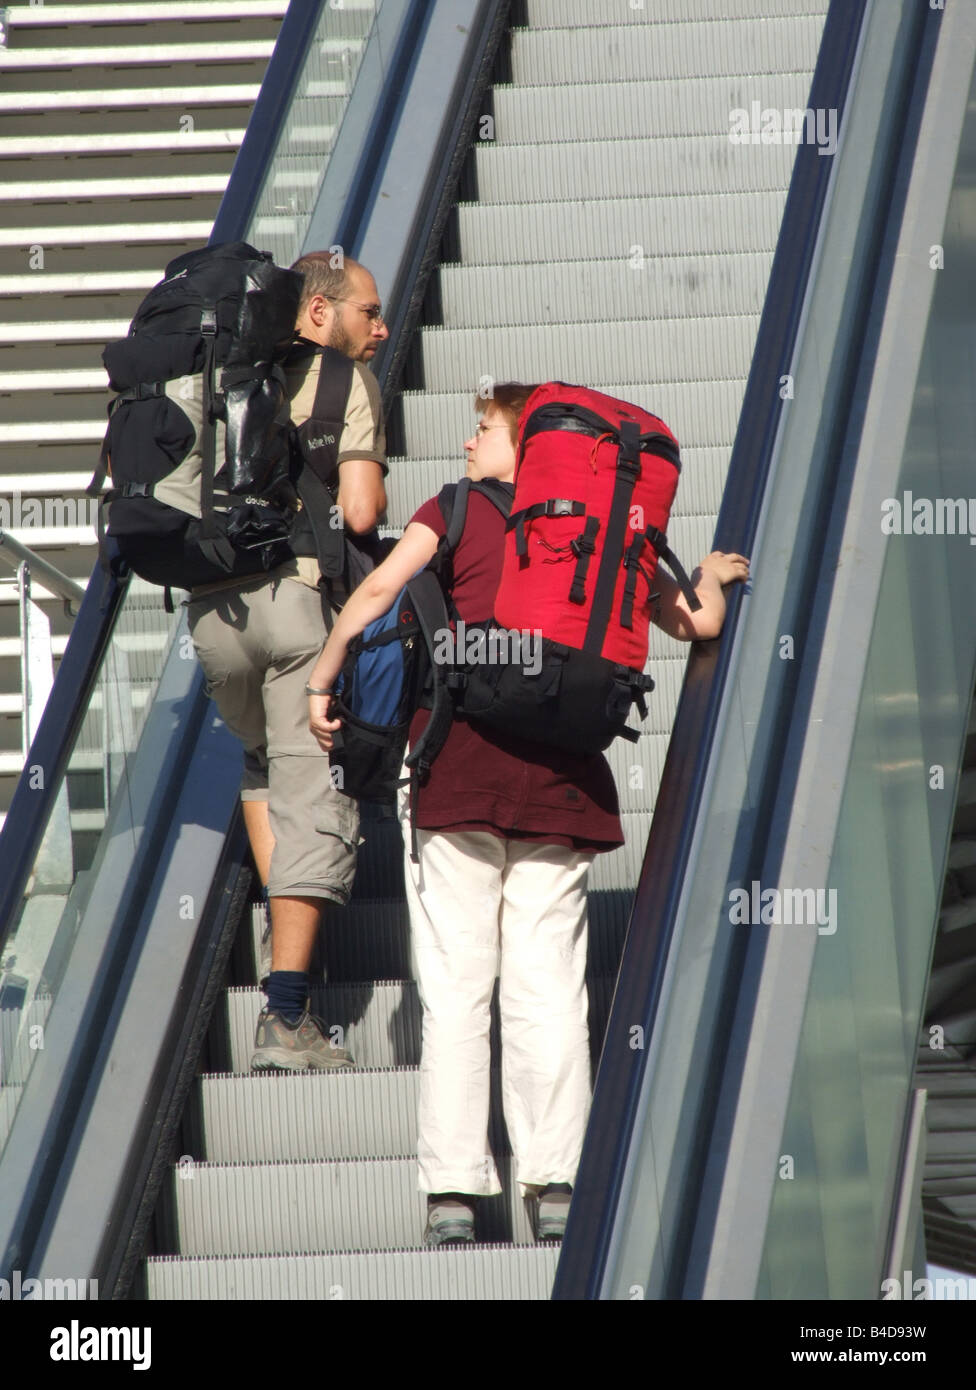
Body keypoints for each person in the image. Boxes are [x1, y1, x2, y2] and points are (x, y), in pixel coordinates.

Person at [306, 383, 750, 1242]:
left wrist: (323, 678)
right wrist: (709, 574)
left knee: (458, 989)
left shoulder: (459, 511)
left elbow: (371, 599)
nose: (471, 445)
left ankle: (454, 1195)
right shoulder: (607, 528)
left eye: (485, 431)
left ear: (528, 445)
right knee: (550, 989)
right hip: (565, 789)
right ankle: (553, 1185)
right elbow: (697, 622)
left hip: (456, 777)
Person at [186, 252, 389, 1072]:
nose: (377, 326)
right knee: (314, 796)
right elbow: (364, 511)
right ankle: (287, 1013)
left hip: (211, 613)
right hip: (297, 607)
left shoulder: (214, 374)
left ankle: (284, 935)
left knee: (264, 764)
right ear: (316, 311)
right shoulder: (343, 383)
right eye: (365, 311)